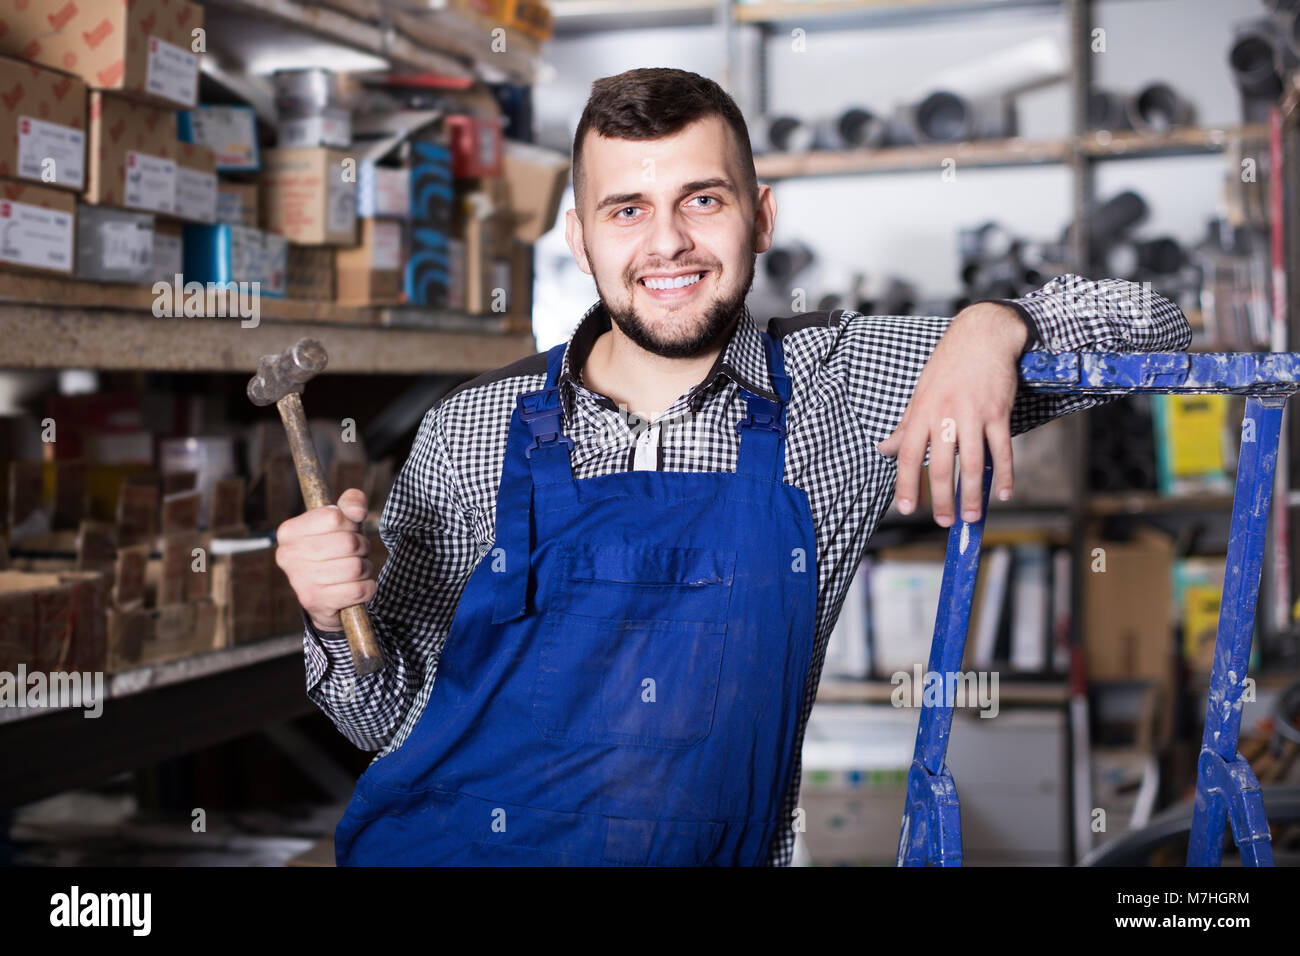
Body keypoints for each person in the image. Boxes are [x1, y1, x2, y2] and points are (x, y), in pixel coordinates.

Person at [275, 67, 1192, 866]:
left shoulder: (838, 391)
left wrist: (994, 325)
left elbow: (1155, 323)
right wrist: (329, 618)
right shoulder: (471, 428)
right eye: (626, 210)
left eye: (701, 200)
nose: (666, 242)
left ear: (761, 217)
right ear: (579, 238)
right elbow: (386, 723)